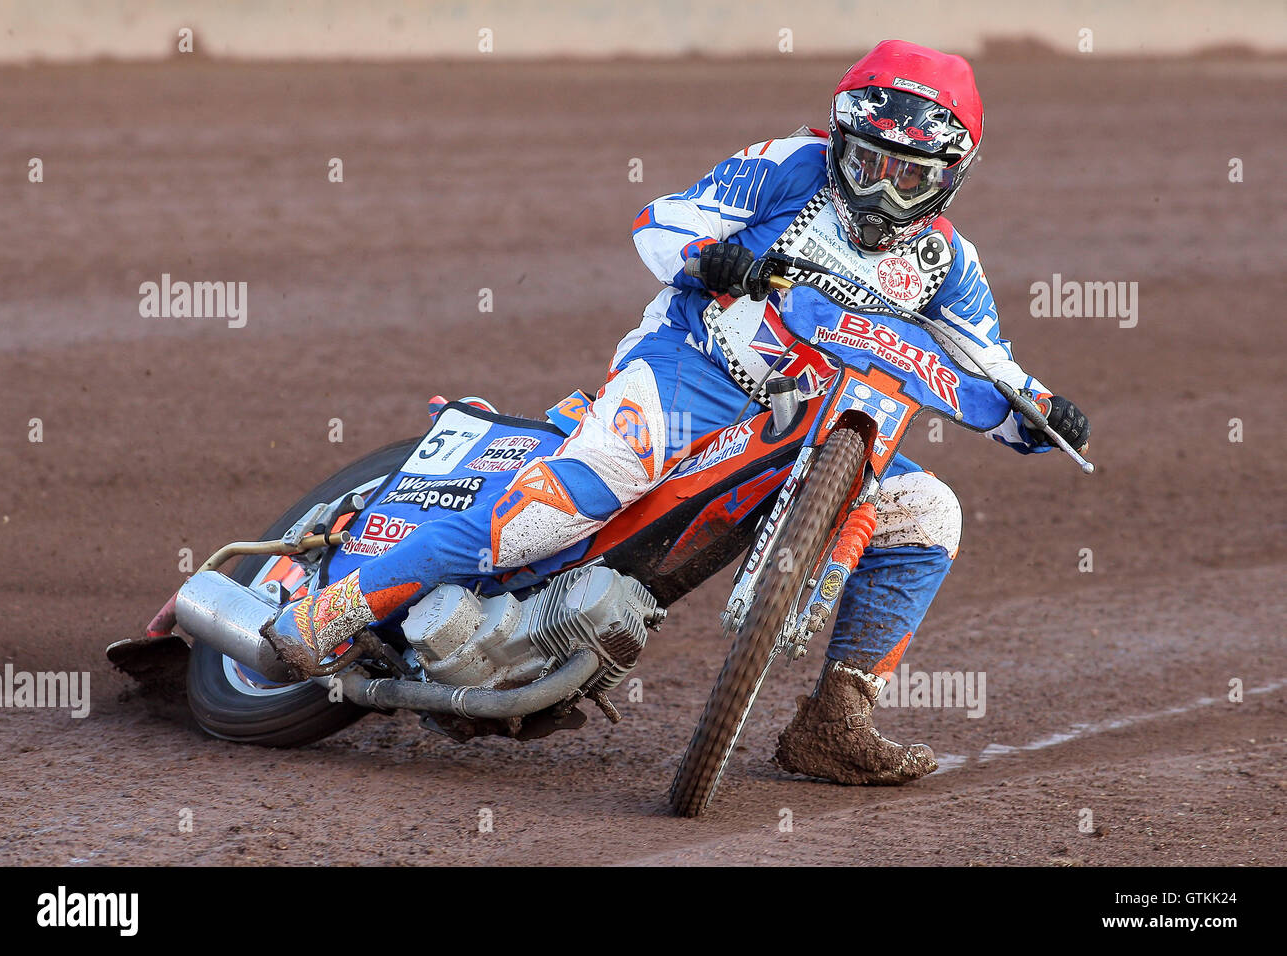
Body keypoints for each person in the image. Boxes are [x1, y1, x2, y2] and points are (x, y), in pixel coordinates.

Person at [263, 39, 1090, 785]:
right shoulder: (788, 165)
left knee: (930, 514)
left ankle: (836, 720)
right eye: (869, 161)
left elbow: (995, 370)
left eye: (910, 175)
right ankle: (331, 610)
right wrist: (712, 257)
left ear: (950, 176)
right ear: (840, 140)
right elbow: (660, 225)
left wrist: (1046, 413)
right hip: (692, 372)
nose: (881, 188)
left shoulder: (949, 261)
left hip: (827, 421)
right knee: (561, 506)